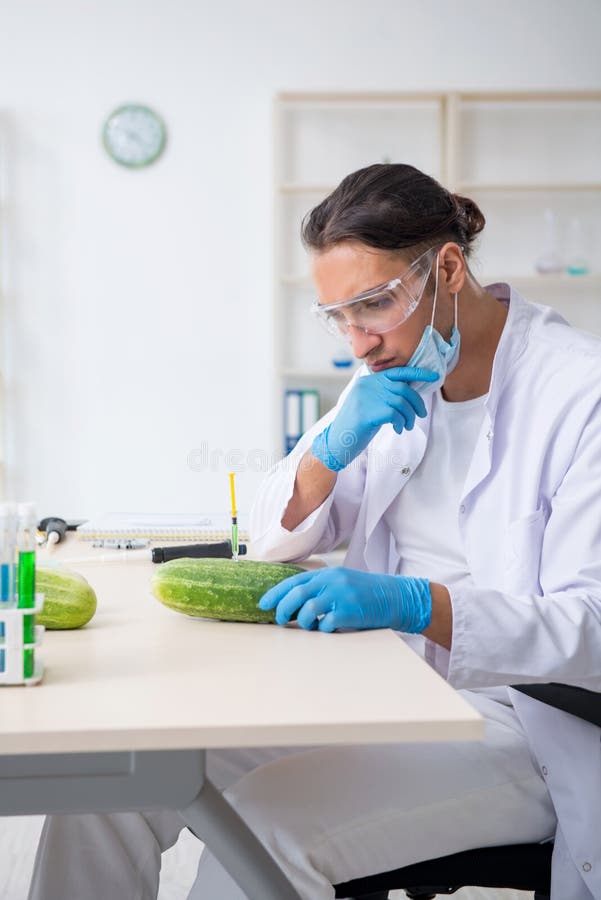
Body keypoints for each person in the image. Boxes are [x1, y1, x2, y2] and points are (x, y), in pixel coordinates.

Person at [28, 163, 601, 900]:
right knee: (116, 774)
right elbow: (273, 532)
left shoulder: (578, 393)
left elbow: (589, 628)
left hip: (518, 725)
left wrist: (415, 604)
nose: (356, 342)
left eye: (373, 304)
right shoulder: (394, 376)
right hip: (378, 690)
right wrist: (325, 457)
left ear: (447, 269)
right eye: (337, 315)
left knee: (264, 834)